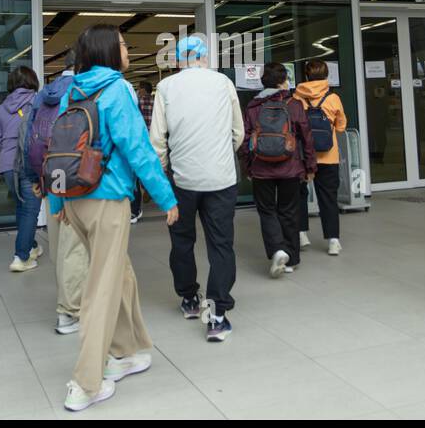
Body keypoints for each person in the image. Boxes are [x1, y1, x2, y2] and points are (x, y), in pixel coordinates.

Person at [47, 25, 178, 412]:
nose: (126, 50)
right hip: (106, 201)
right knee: (102, 286)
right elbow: (137, 149)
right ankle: (86, 381)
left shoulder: (72, 89)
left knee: (119, 274)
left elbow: (57, 146)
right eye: (123, 44)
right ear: (109, 51)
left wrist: (58, 206)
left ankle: (128, 349)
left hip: (75, 198)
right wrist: (166, 197)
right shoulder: (117, 89)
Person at [149, 35, 244, 341]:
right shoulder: (223, 83)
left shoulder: (165, 88)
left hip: (183, 179)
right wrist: (220, 154)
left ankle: (190, 299)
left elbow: (157, 141)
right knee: (221, 244)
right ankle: (217, 315)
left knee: (182, 240)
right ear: (204, 58)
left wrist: (165, 171)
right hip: (221, 178)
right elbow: (238, 131)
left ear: (178, 60)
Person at [28, 51, 88, 335]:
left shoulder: (44, 93)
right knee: (74, 246)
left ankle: (68, 300)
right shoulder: (83, 90)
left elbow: (28, 135)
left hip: (51, 176)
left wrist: (34, 176)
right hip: (76, 179)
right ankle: (69, 312)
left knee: (59, 245)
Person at [240, 62, 316, 279]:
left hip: (261, 169)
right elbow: (307, 137)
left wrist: (247, 165)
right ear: (283, 81)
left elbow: (245, 139)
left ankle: (277, 249)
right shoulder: (293, 104)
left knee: (266, 210)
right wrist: (310, 166)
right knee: (289, 210)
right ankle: (291, 259)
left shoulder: (253, 106)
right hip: (290, 168)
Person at [293, 59, 347, 256]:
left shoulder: (297, 98)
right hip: (328, 157)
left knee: (299, 196)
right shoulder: (333, 98)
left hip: (302, 157)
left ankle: (301, 234)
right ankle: (333, 241)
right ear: (326, 76)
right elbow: (341, 126)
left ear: (306, 76)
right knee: (328, 199)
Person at [0, 66, 43, 272]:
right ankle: (21, 258)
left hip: (7, 167)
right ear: (32, 81)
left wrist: (9, 151)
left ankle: (31, 246)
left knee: (22, 208)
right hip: (30, 163)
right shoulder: (38, 101)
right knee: (31, 210)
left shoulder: (2, 107)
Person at [131, 80, 155, 224]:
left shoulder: (138, 102)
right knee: (150, 166)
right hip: (154, 138)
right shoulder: (155, 102)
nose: (138, 91)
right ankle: (149, 187)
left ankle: (143, 187)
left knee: (139, 168)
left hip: (142, 139)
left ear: (143, 90)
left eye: (139, 88)